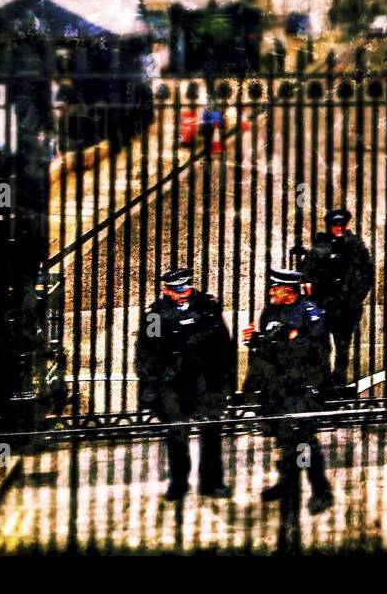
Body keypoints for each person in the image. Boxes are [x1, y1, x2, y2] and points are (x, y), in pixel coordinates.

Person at [134, 267, 233, 501]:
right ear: (166, 290)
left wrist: (227, 381)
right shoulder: (156, 315)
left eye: (186, 288)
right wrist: (150, 385)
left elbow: (224, 345)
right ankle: (178, 482)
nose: (183, 293)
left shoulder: (207, 307)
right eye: (177, 289)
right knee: (177, 432)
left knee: (210, 430)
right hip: (173, 382)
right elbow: (147, 352)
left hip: (205, 381)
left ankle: (212, 482)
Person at [243, 266, 333, 514]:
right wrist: (255, 340)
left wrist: (293, 338)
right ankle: (287, 483)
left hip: (301, 388)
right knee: (285, 438)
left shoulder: (309, 312)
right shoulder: (270, 311)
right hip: (277, 389)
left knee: (303, 441)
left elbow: (319, 352)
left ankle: (320, 491)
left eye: (276, 289)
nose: (271, 292)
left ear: (289, 291)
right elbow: (268, 348)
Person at [300, 209, 374, 395]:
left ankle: (339, 381)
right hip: (324, 305)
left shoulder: (357, 247)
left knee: (343, 347)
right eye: (335, 225)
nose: (338, 228)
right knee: (322, 344)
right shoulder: (320, 247)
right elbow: (308, 273)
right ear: (330, 226)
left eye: (341, 224)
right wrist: (314, 298)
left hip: (347, 307)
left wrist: (355, 297)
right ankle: (322, 381)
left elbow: (367, 274)